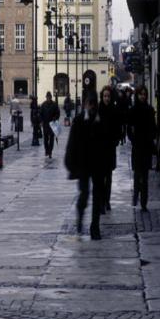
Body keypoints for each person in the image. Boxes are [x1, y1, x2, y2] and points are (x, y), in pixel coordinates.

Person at [65, 91, 107, 240]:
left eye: (94, 104)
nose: (92, 107)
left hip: (98, 165)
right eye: (90, 104)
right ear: (85, 105)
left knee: (97, 197)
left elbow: (106, 144)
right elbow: (72, 143)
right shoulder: (78, 120)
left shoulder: (101, 121)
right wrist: (70, 163)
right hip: (83, 165)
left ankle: (95, 227)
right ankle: (80, 216)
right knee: (84, 194)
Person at [127, 86, 157, 211]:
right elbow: (129, 129)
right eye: (140, 94)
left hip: (147, 147)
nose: (143, 96)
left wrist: (150, 138)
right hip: (137, 147)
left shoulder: (150, 110)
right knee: (137, 173)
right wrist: (133, 140)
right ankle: (135, 194)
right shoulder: (133, 110)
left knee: (144, 176)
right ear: (137, 95)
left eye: (144, 94)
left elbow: (154, 128)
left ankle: (144, 202)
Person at [98, 86, 121, 213]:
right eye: (104, 96)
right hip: (100, 149)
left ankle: (107, 200)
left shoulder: (114, 110)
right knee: (101, 177)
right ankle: (101, 202)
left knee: (109, 176)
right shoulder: (98, 110)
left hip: (110, 148)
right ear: (102, 97)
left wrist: (116, 139)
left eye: (108, 96)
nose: (106, 98)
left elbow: (118, 127)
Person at [39, 91, 60, 158]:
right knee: (45, 139)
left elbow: (58, 113)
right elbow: (40, 114)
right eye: (47, 97)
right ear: (46, 97)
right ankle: (46, 150)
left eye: (49, 97)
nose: (48, 98)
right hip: (45, 124)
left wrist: (55, 118)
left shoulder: (54, 104)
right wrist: (41, 121)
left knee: (51, 138)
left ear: (51, 97)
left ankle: (50, 151)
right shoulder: (43, 105)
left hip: (52, 124)